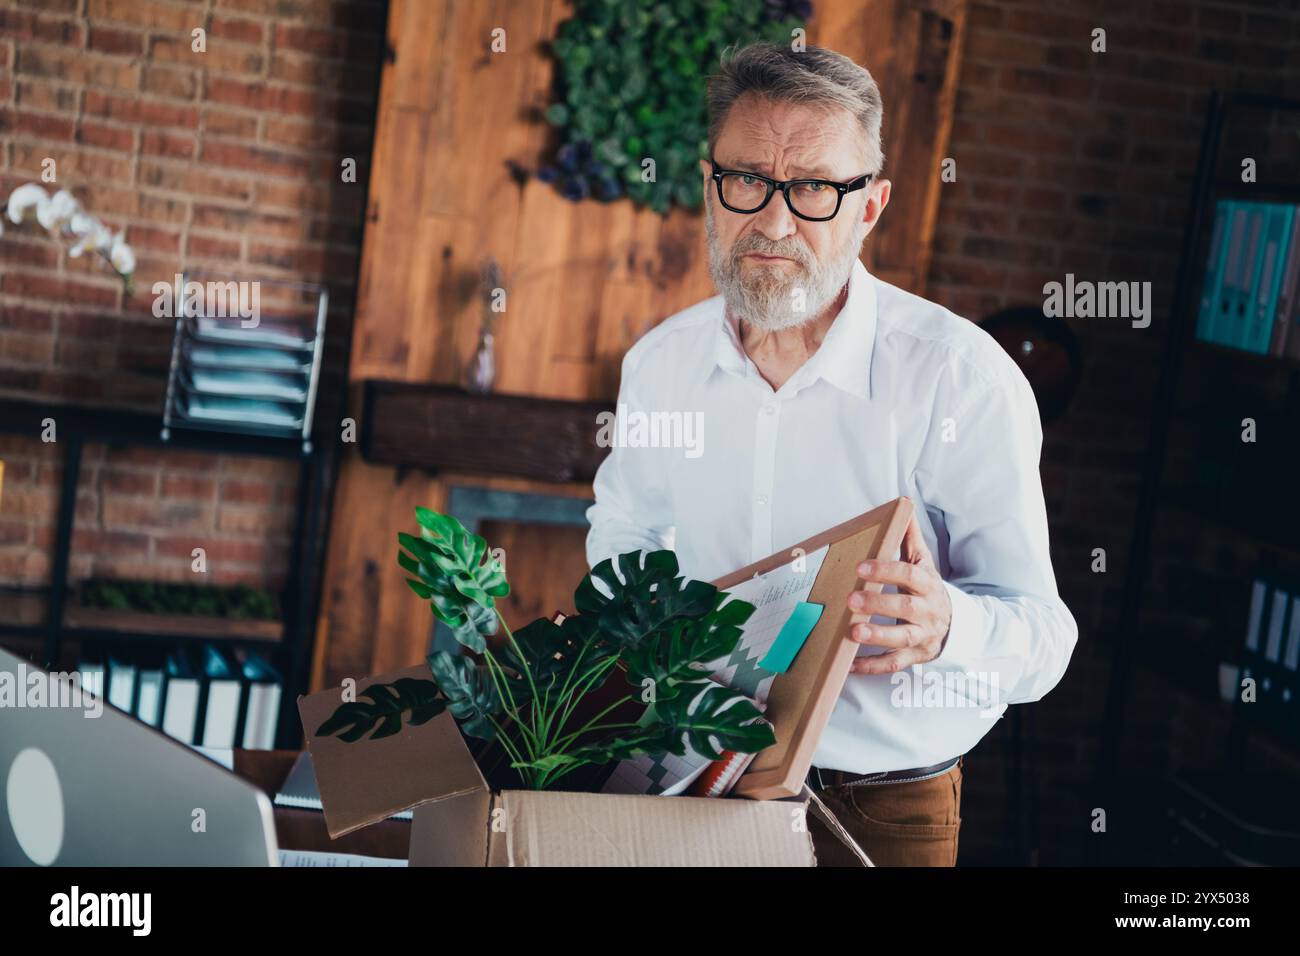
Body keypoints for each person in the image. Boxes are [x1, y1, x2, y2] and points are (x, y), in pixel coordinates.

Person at [586, 42, 1077, 866]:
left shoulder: (959, 378)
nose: (774, 223)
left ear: (870, 206)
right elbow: (626, 533)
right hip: (691, 779)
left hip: (883, 807)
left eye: (814, 188)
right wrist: (651, 632)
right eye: (748, 180)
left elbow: (1044, 638)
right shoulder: (661, 365)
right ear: (710, 187)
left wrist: (947, 625)